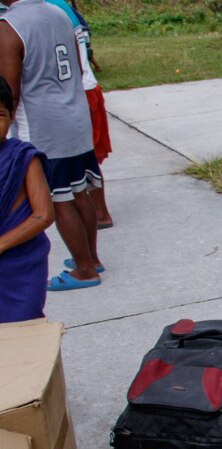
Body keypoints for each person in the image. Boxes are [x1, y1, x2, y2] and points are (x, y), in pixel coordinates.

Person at [0, 0, 105, 291]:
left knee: (57, 202)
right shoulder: (59, 12)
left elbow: (9, 93)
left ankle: (85, 270)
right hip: (75, 116)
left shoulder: (10, 26)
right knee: (79, 192)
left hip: (42, 126)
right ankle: (91, 258)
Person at [47, 0, 114, 230]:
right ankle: (99, 213)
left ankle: (101, 213)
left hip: (78, 92)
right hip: (81, 91)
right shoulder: (60, 7)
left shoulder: (49, 9)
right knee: (85, 163)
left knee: (84, 163)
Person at [0, 76, 55, 322]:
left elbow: (43, 215)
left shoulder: (23, 157)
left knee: (25, 330)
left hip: (20, 265)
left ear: (11, 117)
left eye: (0, 115)